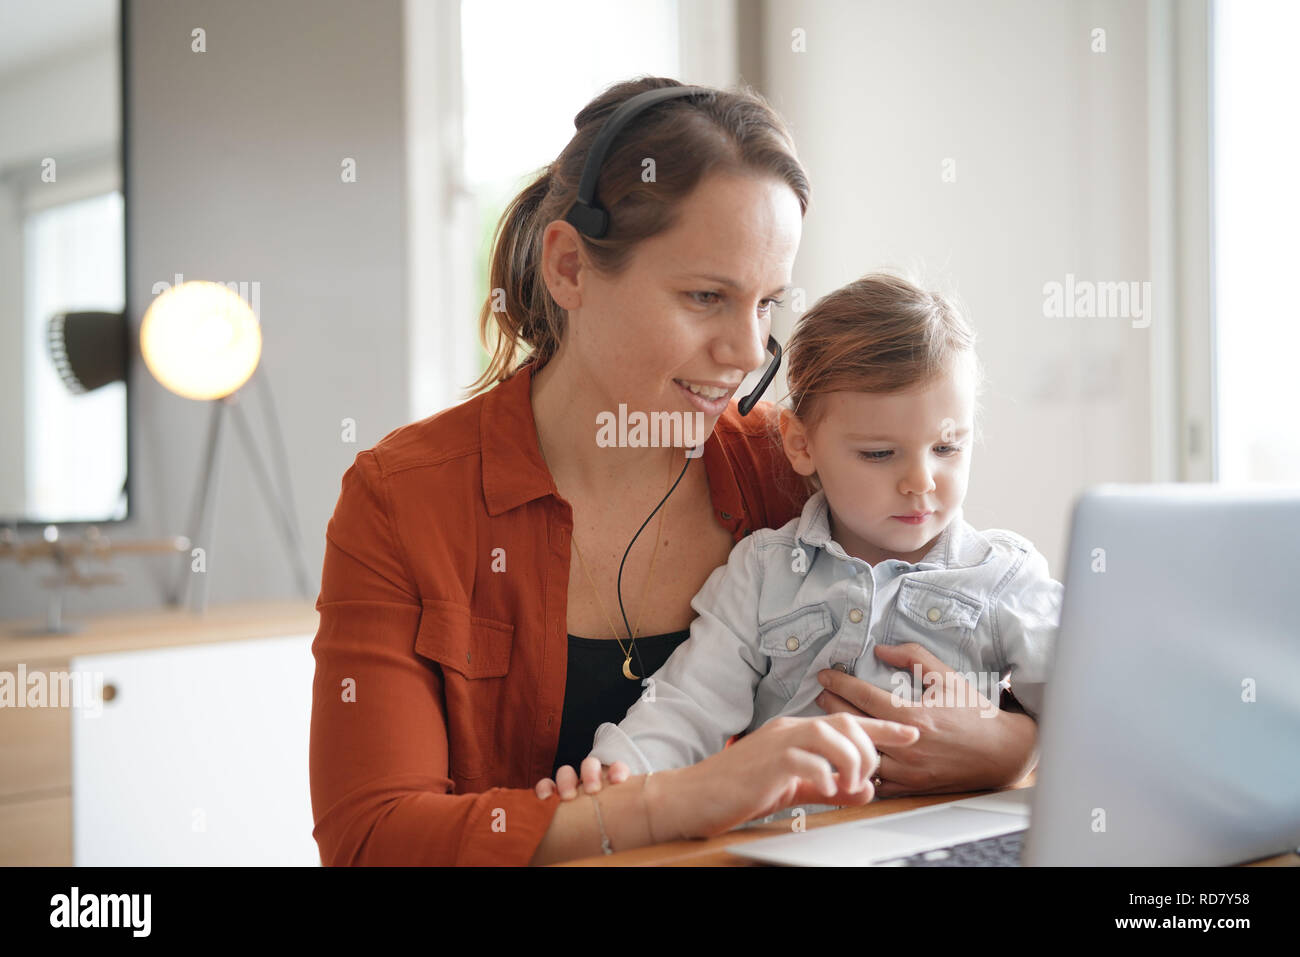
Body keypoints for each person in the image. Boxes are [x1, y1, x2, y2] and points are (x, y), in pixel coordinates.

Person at [309, 77, 1039, 867]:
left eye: (766, 305)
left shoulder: (792, 466)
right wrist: (681, 798)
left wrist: (1011, 744)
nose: (747, 351)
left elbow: (971, 613)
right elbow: (373, 840)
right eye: (705, 296)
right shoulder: (404, 499)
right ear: (570, 268)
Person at [549, 273, 1060, 818]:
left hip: (948, 845)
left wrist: (1017, 749)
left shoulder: (1004, 576)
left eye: (946, 447)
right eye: (879, 454)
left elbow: (1097, 720)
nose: (921, 481)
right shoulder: (764, 571)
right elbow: (686, 706)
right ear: (800, 445)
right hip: (789, 846)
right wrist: (609, 782)